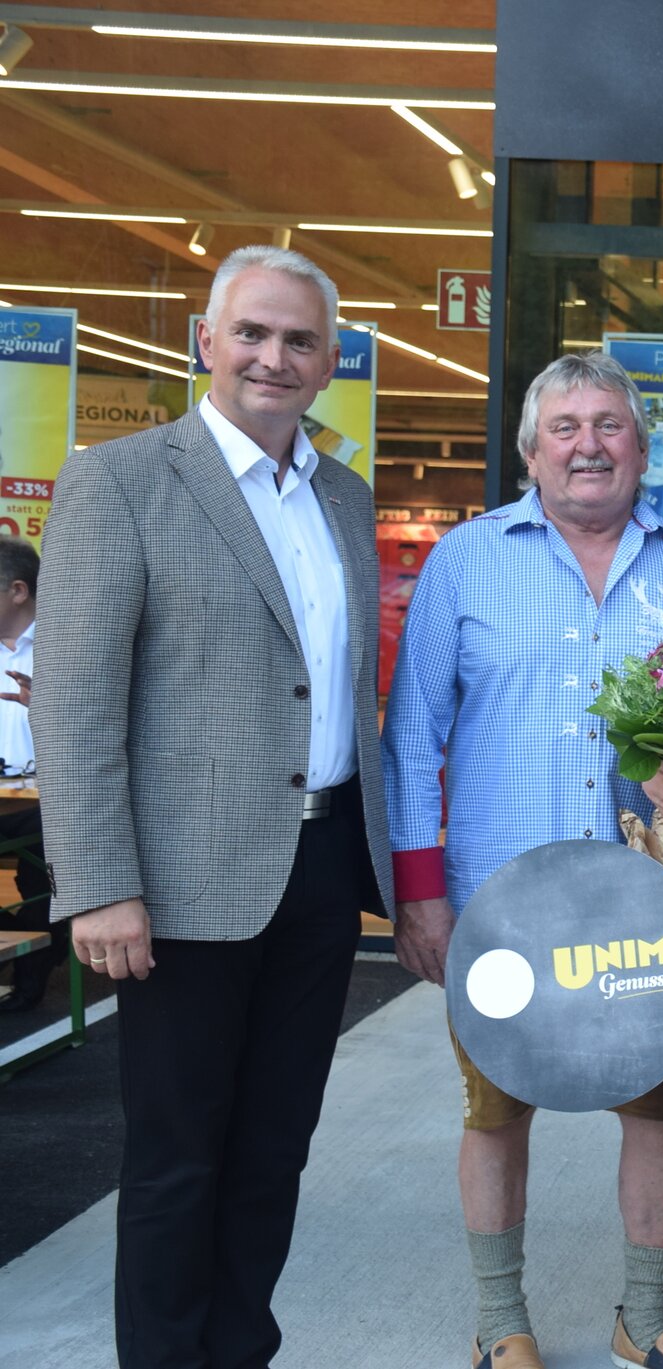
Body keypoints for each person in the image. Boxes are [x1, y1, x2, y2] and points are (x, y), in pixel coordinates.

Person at [32, 244, 393, 1365]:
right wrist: (100, 885)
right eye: (252, 332)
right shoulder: (124, 479)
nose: (272, 357)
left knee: (273, 1149)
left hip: (324, 871)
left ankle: (240, 1351)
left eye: (298, 340)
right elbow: (78, 705)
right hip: (178, 886)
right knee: (178, 1158)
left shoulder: (342, 495)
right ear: (205, 341)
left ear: (330, 361)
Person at [382, 351, 663, 1369]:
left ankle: (643, 1313)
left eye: (609, 425)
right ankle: (501, 1323)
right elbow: (413, 736)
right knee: (495, 1110)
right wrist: (419, 894)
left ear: (641, 447)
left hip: (650, 899)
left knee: (662, 1106)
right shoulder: (465, 560)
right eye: (566, 426)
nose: (589, 444)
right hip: (502, 900)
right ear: (530, 449)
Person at [0, 535, 53, 1013]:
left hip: (51, 801)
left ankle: (28, 986)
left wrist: (50, 707)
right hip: (3, 800)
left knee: (42, 880)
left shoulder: (65, 645)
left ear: (18, 590)